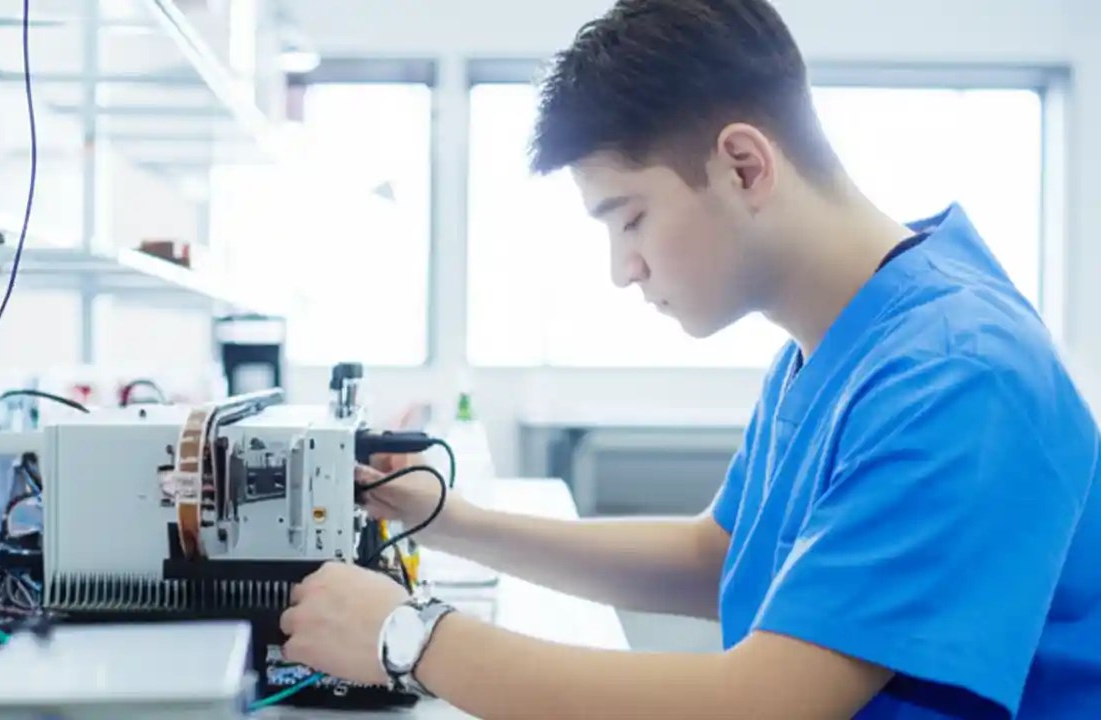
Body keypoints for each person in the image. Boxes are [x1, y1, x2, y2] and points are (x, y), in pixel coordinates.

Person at [279, 0, 1101, 717]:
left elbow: (764, 704)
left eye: (628, 217)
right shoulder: (831, 343)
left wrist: (408, 636)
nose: (621, 268)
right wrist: (448, 517)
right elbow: (718, 558)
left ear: (743, 166)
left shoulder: (958, 373)